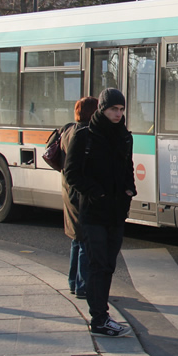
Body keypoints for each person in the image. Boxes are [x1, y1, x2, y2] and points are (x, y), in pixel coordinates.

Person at [63, 88, 136, 337]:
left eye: (121, 109)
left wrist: (129, 189)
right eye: (113, 109)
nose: (118, 114)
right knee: (98, 264)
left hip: (116, 212)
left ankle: (102, 316)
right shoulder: (85, 136)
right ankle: (99, 318)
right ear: (102, 110)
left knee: (108, 266)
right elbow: (71, 173)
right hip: (93, 212)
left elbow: (128, 167)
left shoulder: (125, 136)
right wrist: (96, 192)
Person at [60, 96, 99, 300]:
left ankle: (73, 282)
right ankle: (83, 284)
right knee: (84, 239)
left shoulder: (68, 130)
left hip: (68, 189)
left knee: (76, 238)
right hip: (79, 192)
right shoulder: (84, 134)